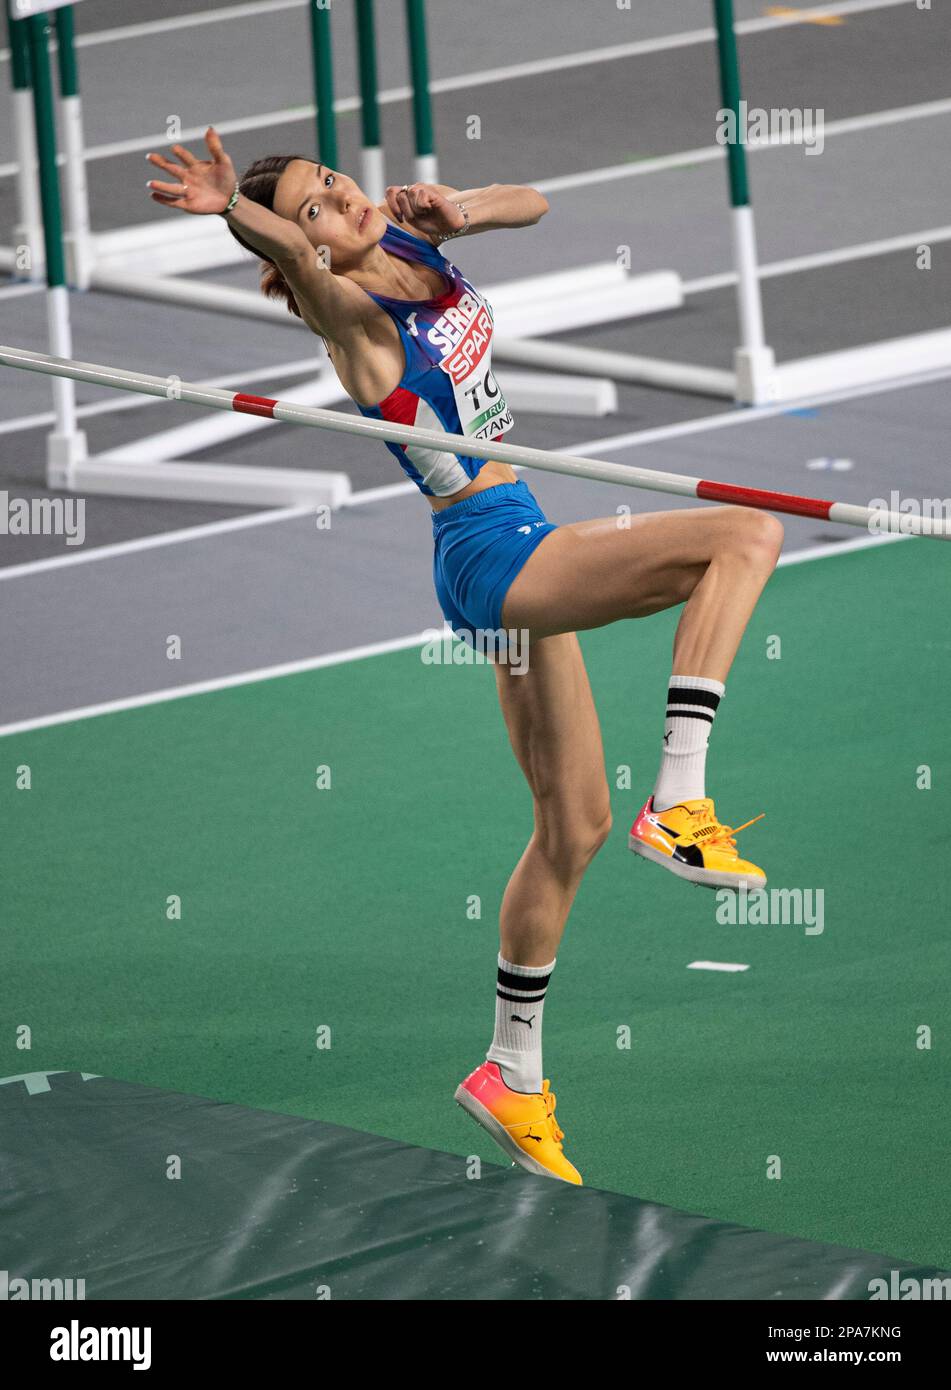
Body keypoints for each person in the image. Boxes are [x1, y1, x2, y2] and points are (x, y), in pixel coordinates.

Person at [147, 128, 783, 1186]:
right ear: (296, 250)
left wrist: (463, 208)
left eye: (332, 183)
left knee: (570, 827)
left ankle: (510, 1072)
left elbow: (534, 196)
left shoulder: (400, 234)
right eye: (313, 209)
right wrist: (230, 207)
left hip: (518, 531)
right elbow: (300, 263)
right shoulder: (351, 320)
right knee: (745, 534)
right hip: (493, 552)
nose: (339, 203)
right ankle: (679, 798)